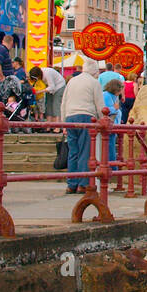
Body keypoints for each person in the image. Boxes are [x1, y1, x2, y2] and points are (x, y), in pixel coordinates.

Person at [60, 57, 104, 194]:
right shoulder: (94, 82)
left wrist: (62, 123)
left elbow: (64, 102)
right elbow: (99, 104)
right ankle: (83, 184)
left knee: (73, 151)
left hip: (70, 116)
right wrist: (103, 121)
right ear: (95, 71)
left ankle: (71, 183)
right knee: (85, 151)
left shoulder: (72, 81)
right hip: (86, 116)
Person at [102, 77, 123, 165]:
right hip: (109, 125)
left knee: (111, 146)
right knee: (110, 147)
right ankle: (112, 165)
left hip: (113, 125)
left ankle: (112, 164)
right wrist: (115, 109)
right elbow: (105, 109)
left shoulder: (113, 96)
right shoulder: (107, 96)